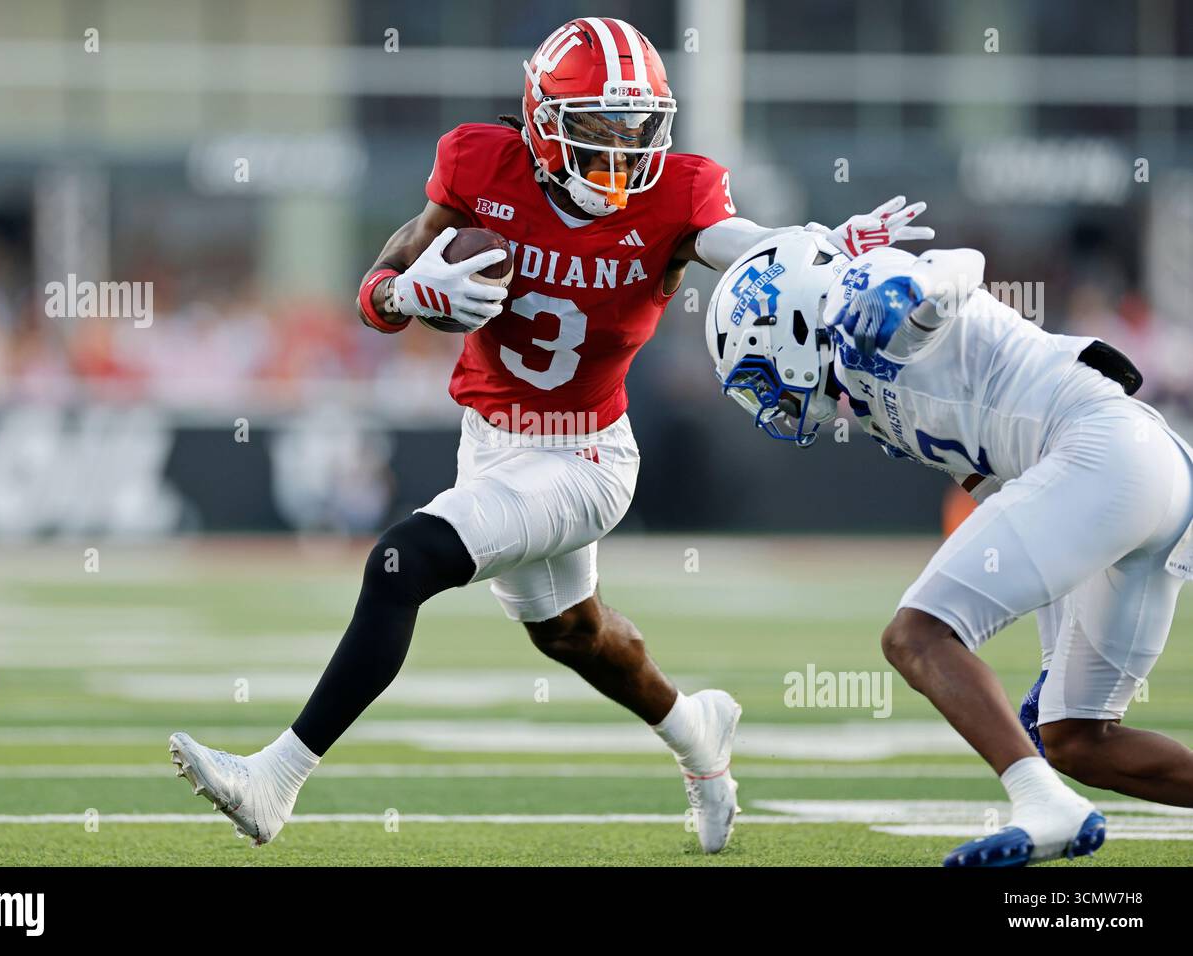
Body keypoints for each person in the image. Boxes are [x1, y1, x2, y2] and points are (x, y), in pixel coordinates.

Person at [170, 16, 931, 855]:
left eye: (635, 133)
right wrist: (407, 297)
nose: (620, 159)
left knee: (402, 561)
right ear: (540, 124)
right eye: (597, 134)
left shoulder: (677, 193)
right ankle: (696, 731)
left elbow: (742, 247)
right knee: (572, 632)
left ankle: (275, 781)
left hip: (588, 454)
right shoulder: (477, 163)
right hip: (489, 439)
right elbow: (381, 283)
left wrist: (816, 250)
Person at [705, 231, 1193, 866]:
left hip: (1104, 451)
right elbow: (1015, 493)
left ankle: (1046, 807)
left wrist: (915, 289)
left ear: (791, 325)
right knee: (1075, 738)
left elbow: (962, 267)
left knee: (916, 636)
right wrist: (1056, 640)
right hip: (1134, 477)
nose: (766, 396)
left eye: (759, 370)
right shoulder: (874, 407)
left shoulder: (865, 299)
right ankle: (1053, 793)